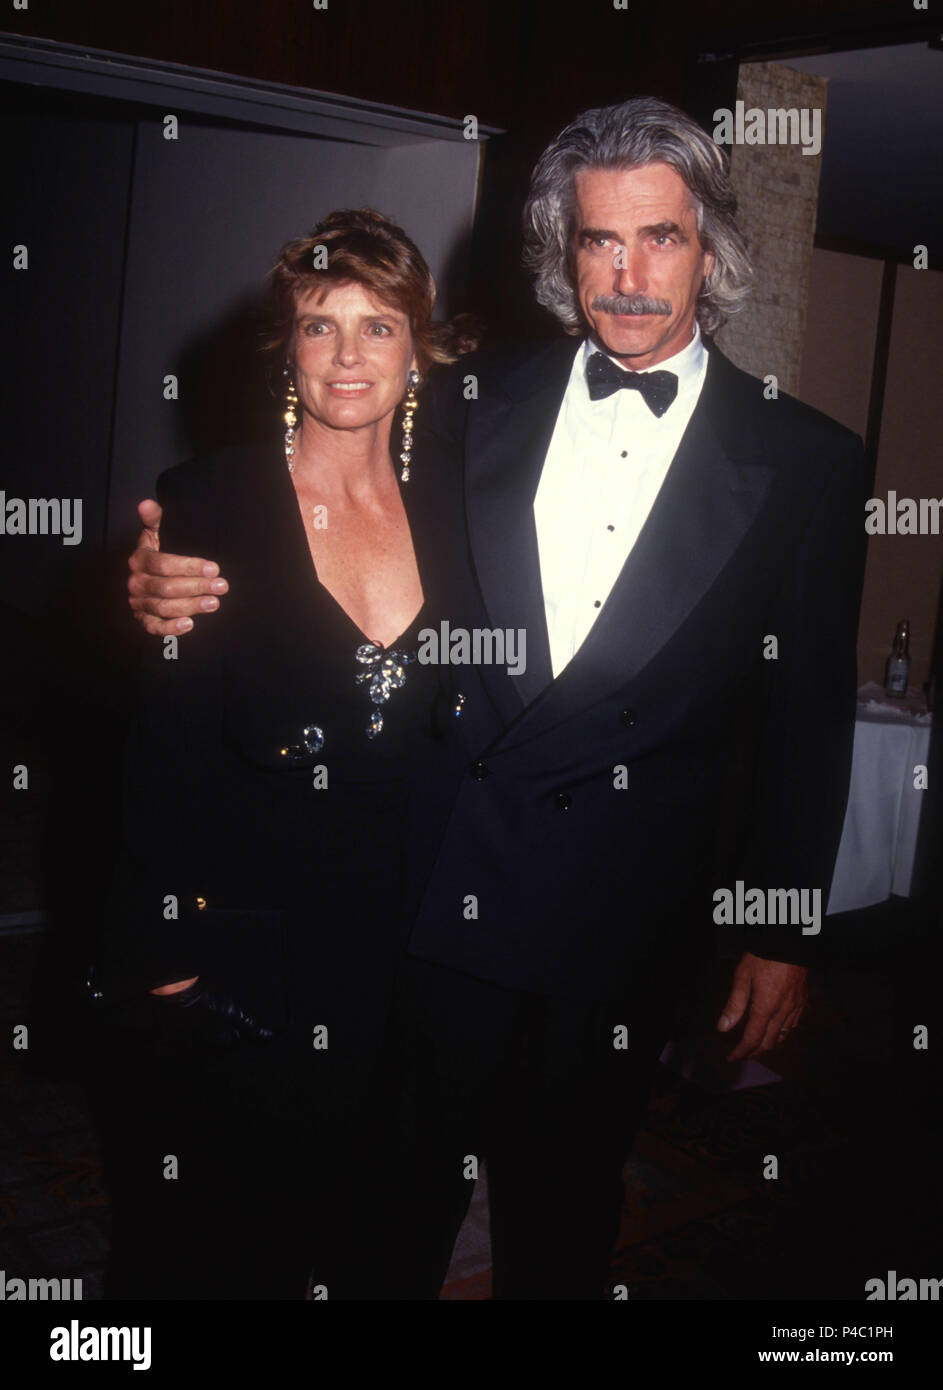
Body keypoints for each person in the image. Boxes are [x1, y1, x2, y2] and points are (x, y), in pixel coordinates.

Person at [126, 97, 867, 1300]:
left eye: (660, 239)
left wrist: (780, 932)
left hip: (621, 926)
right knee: (389, 1212)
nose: (627, 276)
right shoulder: (467, 407)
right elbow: (311, 517)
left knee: (563, 1221)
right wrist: (171, 577)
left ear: (711, 250)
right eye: (597, 242)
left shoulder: (810, 462)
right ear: (560, 255)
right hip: (430, 898)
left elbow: (806, 718)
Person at [100, 207, 476, 1299]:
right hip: (255, 949)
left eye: (378, 326)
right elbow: (159, 754)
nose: (348, 356)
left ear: (420, 346)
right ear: (287, 345)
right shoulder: (211, 499)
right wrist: (166, 960)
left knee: (389, 1234)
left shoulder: (463, 499)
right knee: (225, 1244)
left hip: (414, 946)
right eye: (321, 326)